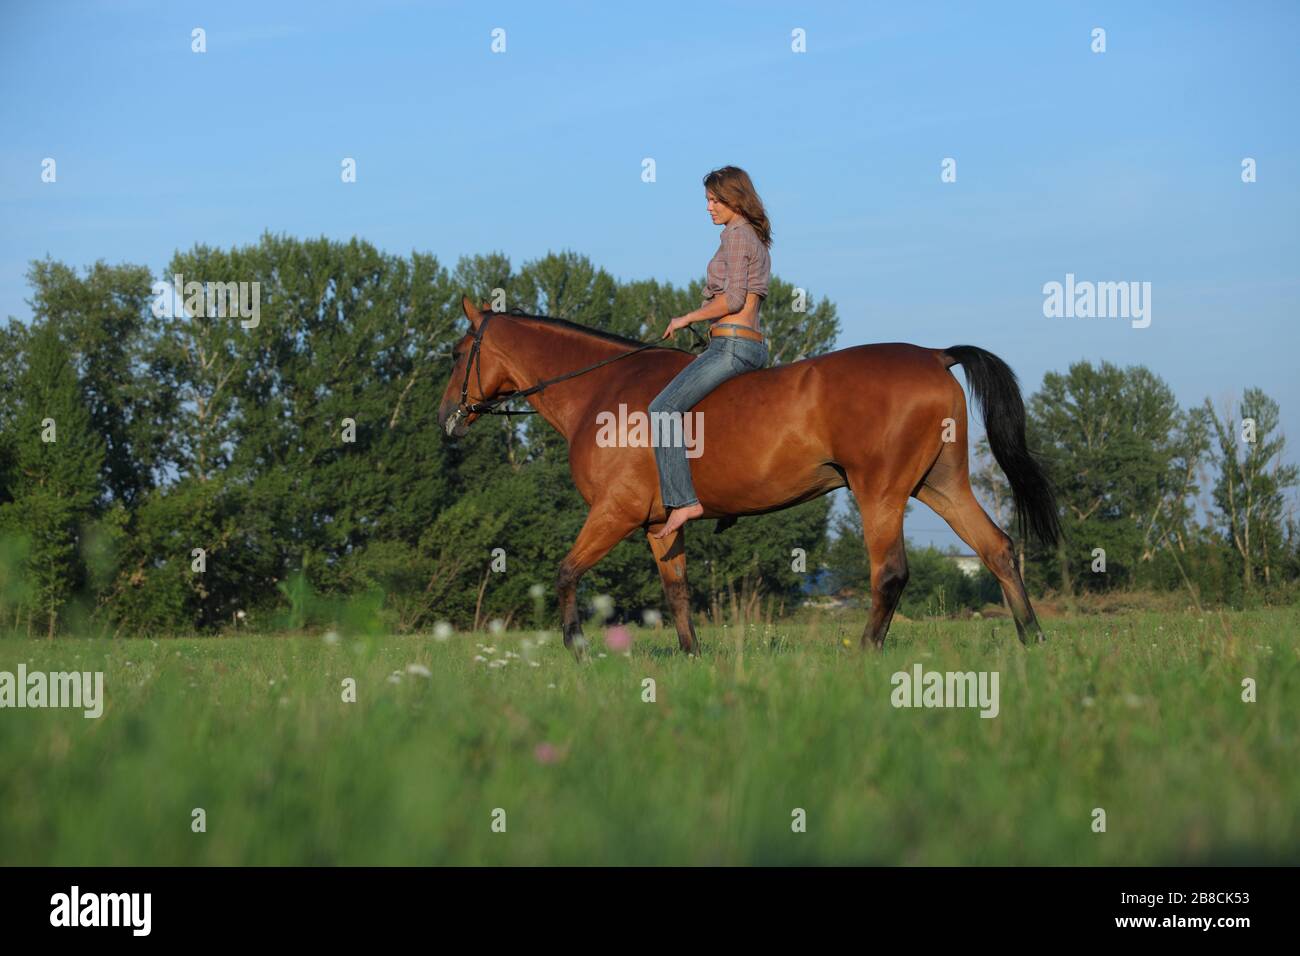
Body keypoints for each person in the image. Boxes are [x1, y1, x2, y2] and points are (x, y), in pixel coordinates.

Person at [650, 165, 773, 539]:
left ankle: (683, 500)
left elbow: (733, 298)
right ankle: (728, 492)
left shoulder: (736, 235)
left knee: (663, 409)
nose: (708, 207)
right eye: (707, 200)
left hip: (731, 346)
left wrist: (688, 317)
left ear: (734, 199)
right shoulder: (755, 236)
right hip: (751, 347)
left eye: (714, 200)